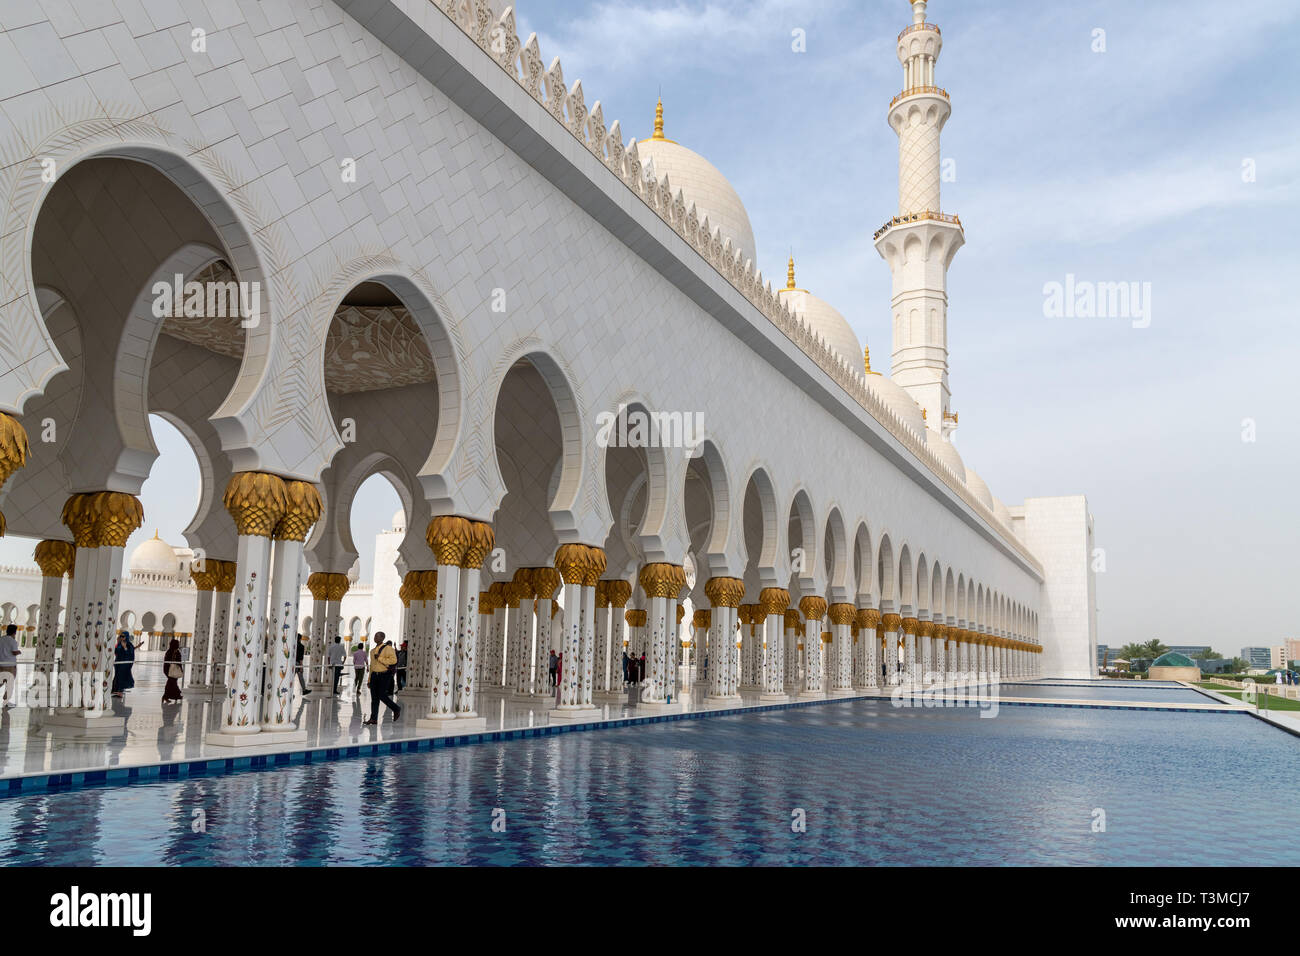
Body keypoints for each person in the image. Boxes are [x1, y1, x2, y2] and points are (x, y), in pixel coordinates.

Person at [363, 631, 401, 724]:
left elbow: (393, 660)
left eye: (377, 636)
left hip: (384, 675)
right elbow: (372, 666)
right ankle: (373, 718)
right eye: (375, 636)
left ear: (382, 638)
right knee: (374, 698)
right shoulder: (372, 651)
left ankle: (396, 708)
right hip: (374, 676)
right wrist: (369, 680)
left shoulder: (388, 648)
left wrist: (380, 658)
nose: (375, 638)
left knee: (382, 695)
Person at [0, 624, 19, 708]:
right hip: (10, 665)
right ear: (14, 632)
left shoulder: (1, 639)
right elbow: (14, 652)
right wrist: (19, 652)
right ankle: (6, 702)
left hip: (1, 664)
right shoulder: (12, 641)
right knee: (9, 683)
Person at [111, 630, 135, 697]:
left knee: (122, 677)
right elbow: (116, 652)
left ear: (126, 636)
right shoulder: (119, 644)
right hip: (118, 664)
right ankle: (115, 690)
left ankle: (120, 691)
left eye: (123, 636)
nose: (121, 637)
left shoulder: (129, 645)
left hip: (124, 665)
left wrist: (125, 648)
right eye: (120, 636)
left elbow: (130, 654)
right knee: (117, 677)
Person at [162, 638, 184, 704]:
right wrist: (181, 669)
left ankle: (167, 696)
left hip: (168, 669)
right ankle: (176, 695)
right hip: (172, 670)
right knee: (172, 682)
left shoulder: (169, 651)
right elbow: (179, 662)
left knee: (171, 683)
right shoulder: (176, 652)